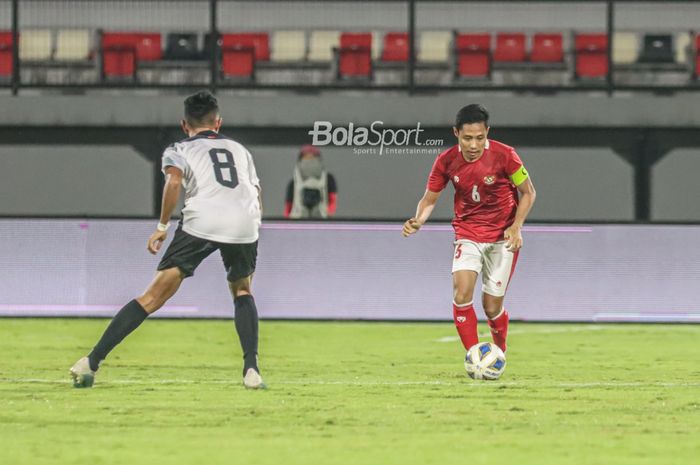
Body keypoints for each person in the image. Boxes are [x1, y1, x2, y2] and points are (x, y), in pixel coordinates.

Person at [70, 90, 266, 389]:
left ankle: (91, 363)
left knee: (153, 296)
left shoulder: (178, 149)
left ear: (184, 125)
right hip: (245, 220)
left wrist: (162, 226)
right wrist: (251, 225)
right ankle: (251, 370)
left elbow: (174, 181)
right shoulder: (240, 150)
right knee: (242, 290)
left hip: (203, 219)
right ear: (218, 122)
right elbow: (255, 192)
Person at [402, 104, 536, 356]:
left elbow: (529, 192)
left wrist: (516, 227)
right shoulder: (446, 161)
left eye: (479, 138)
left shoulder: (506, 155)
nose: (473, 145)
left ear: (487, 132)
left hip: (502, 238)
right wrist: (419, 219)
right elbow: (429, 199)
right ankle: (474, 356)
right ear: (456, 133)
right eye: (467, 138)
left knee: (491, 306)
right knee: (461, 293)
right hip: (468, 233)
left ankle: (500, 351)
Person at [284, 145, 337, 218]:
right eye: (307, 157)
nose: (309, 161)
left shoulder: (328, 179)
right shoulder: (293, 183)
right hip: (304, 220)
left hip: (315, 219)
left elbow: (332, 203)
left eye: (312, 157)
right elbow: (332, 205)